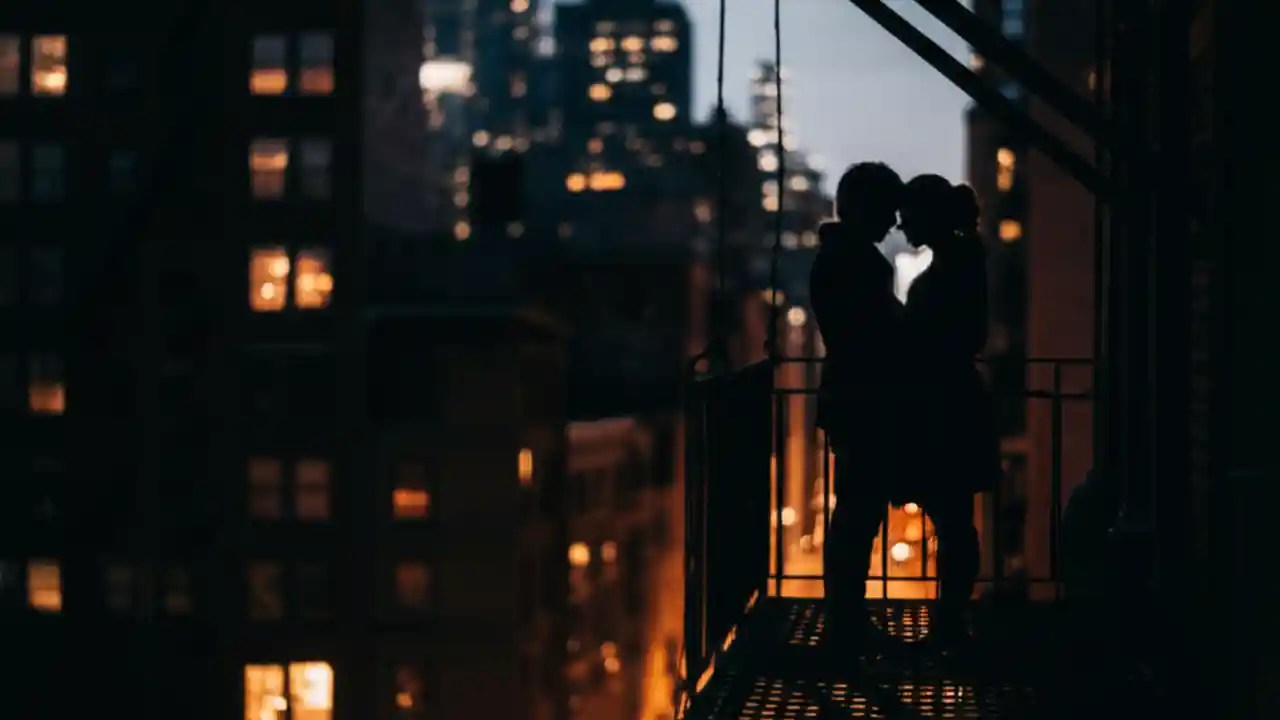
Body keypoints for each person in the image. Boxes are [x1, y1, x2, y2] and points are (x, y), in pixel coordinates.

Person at [898, 175, 1002, 646]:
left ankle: (952, 619)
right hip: (950, 399)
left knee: (953, 517)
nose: (901, 225)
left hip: (944, 404)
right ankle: (952, 616)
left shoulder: (954, 266)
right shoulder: (961, 260)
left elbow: (962, 334)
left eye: (908, 216)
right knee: (954, 516)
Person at [810, 162, 905, 654]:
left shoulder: (838, 258)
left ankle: (845, 617)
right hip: (864, 398)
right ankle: (846, 620)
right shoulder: (859, 264)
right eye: (887, 209)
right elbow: (878, 332)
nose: (894, 221)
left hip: (849, 395)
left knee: (855, 510)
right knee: (859, 513)